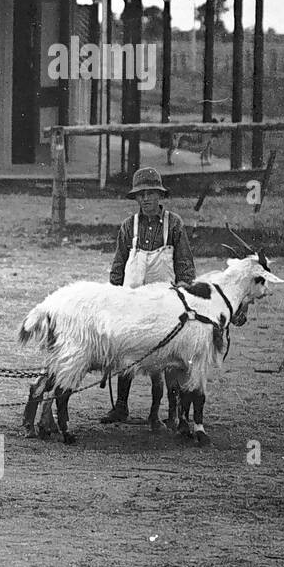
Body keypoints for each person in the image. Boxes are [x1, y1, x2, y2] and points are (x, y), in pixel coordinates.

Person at [102, 166, 196, 424]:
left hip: (164, 304)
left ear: (160, 195)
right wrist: (115, 295)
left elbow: (185, 265)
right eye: (140, 195)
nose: (145, 199)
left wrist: (183, 292)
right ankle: (121, 406)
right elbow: (118, 266)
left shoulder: (174, 224)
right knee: (126, 349)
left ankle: (171, 412)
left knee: (168, 357)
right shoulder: (128, 226)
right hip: (133, 301)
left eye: (150, 193)